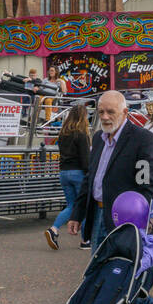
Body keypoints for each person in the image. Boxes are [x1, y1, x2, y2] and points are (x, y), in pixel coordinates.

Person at [69, 90, 153, 252]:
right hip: (97, 214)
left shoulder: (142, 139)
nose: (104, 117)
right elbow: (90, 179)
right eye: (101, 112)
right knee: (97, 268)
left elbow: (147, 185)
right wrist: (77, 214)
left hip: (125, 219)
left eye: (110, 112)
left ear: (125, 112)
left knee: (120, 270)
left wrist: (144, 223)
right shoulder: (98, 138)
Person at [45, 103, 92, 250]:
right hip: (78, 173)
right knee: (83, 206)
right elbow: (85, 159)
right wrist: (89, 173)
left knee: (72, 205)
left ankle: (54, 229)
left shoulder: (63, 134)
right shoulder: (82, 134)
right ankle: (85, 241)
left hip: (64, 172)